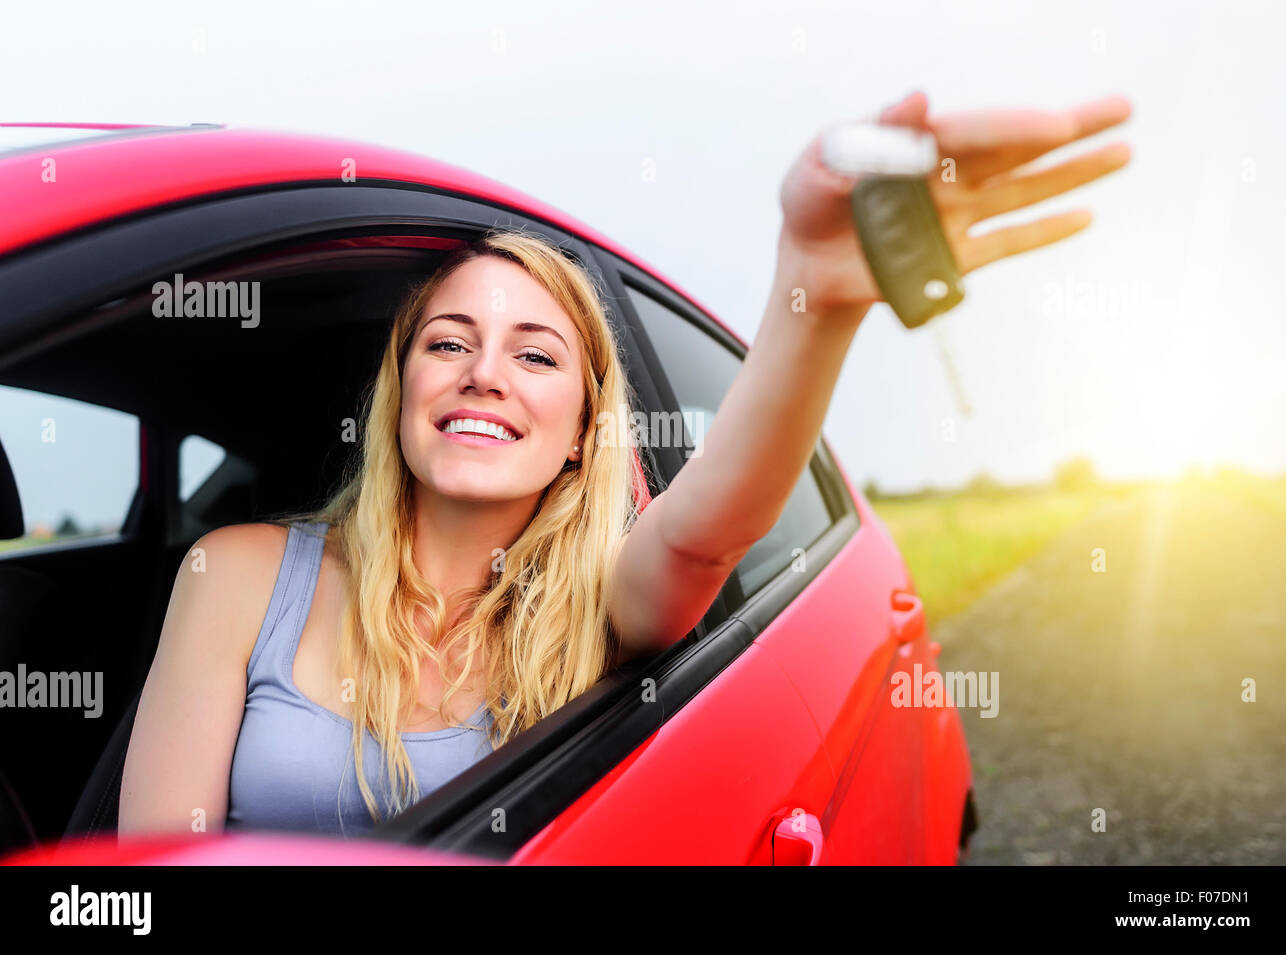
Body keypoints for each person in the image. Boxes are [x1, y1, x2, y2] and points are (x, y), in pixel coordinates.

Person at [118, 89, 1132, 838]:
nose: (483, 374)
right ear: (401, 394)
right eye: (447, 342)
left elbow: (707, 529)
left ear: (580, 433)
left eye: (534, 355)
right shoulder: (239, 572)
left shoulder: (600, 601)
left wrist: (814, 297)